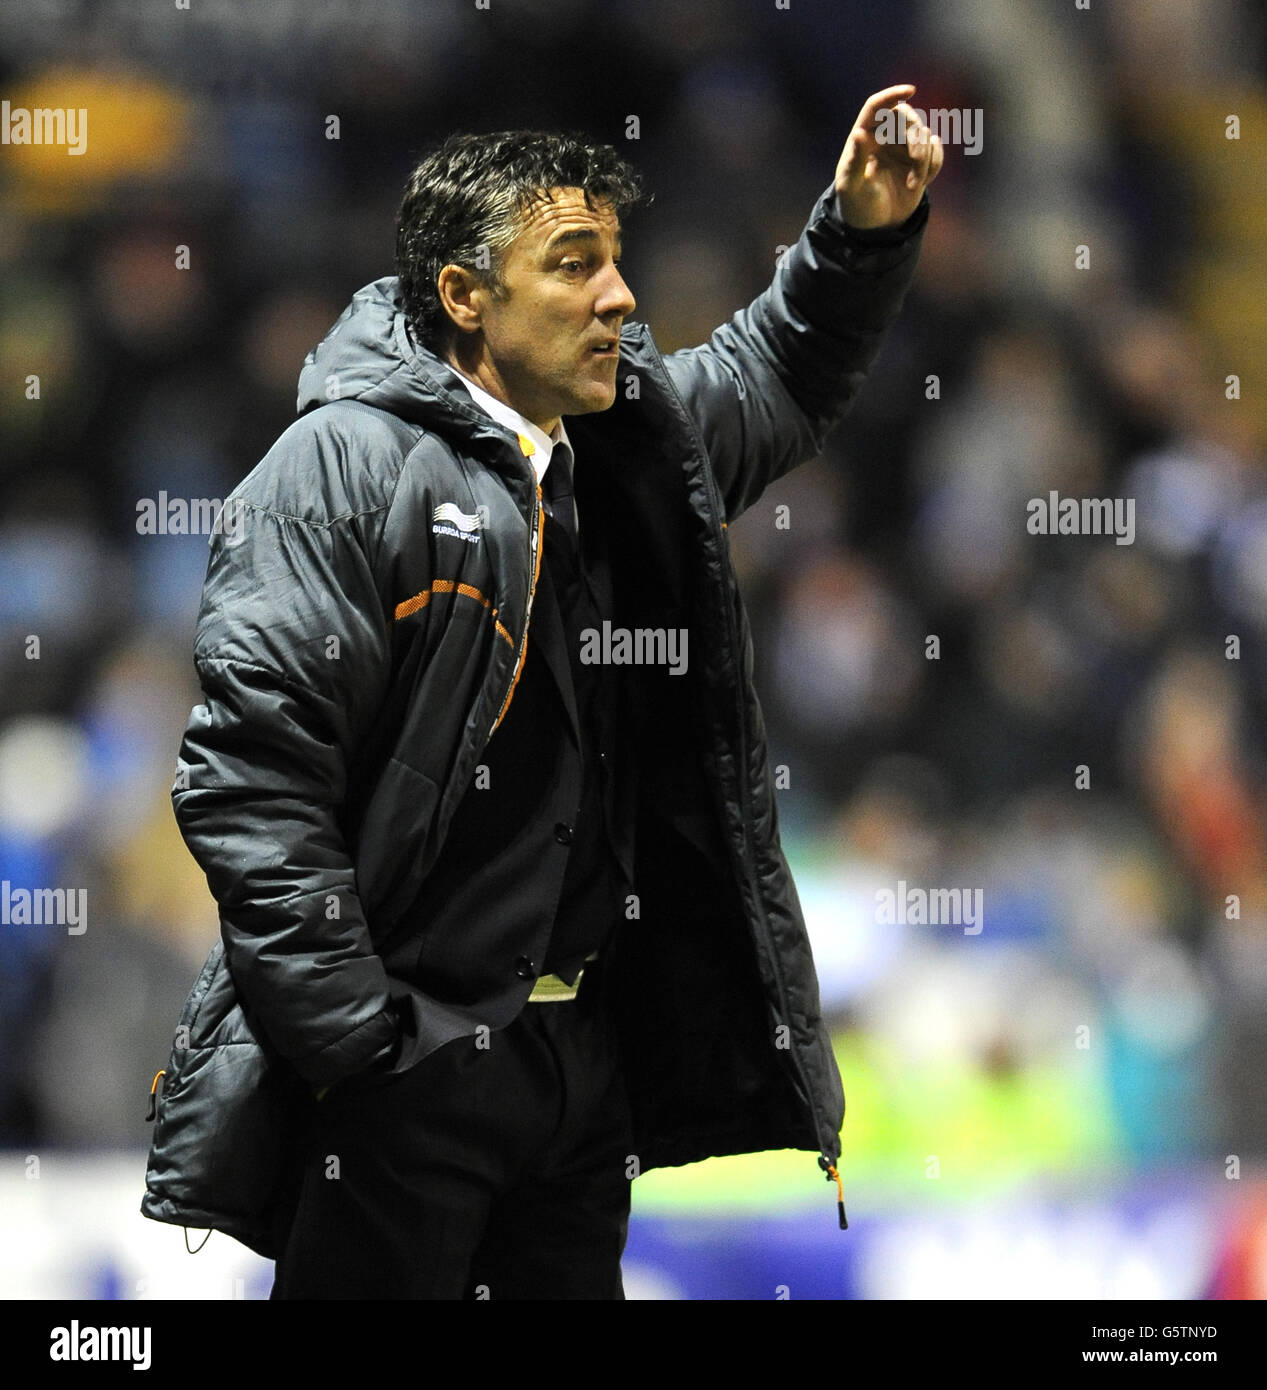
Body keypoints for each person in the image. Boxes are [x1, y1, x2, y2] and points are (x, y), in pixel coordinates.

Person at [140, 85, 942, 1299]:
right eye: (574, 266)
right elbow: (253, 784)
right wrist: (362, 1044)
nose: (619, 297)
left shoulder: (626, 448)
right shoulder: (337, 470)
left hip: (574, 1072)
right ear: (465, 296)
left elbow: (775, 372)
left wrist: (859, 226)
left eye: (615, 264)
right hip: (406, 1073)